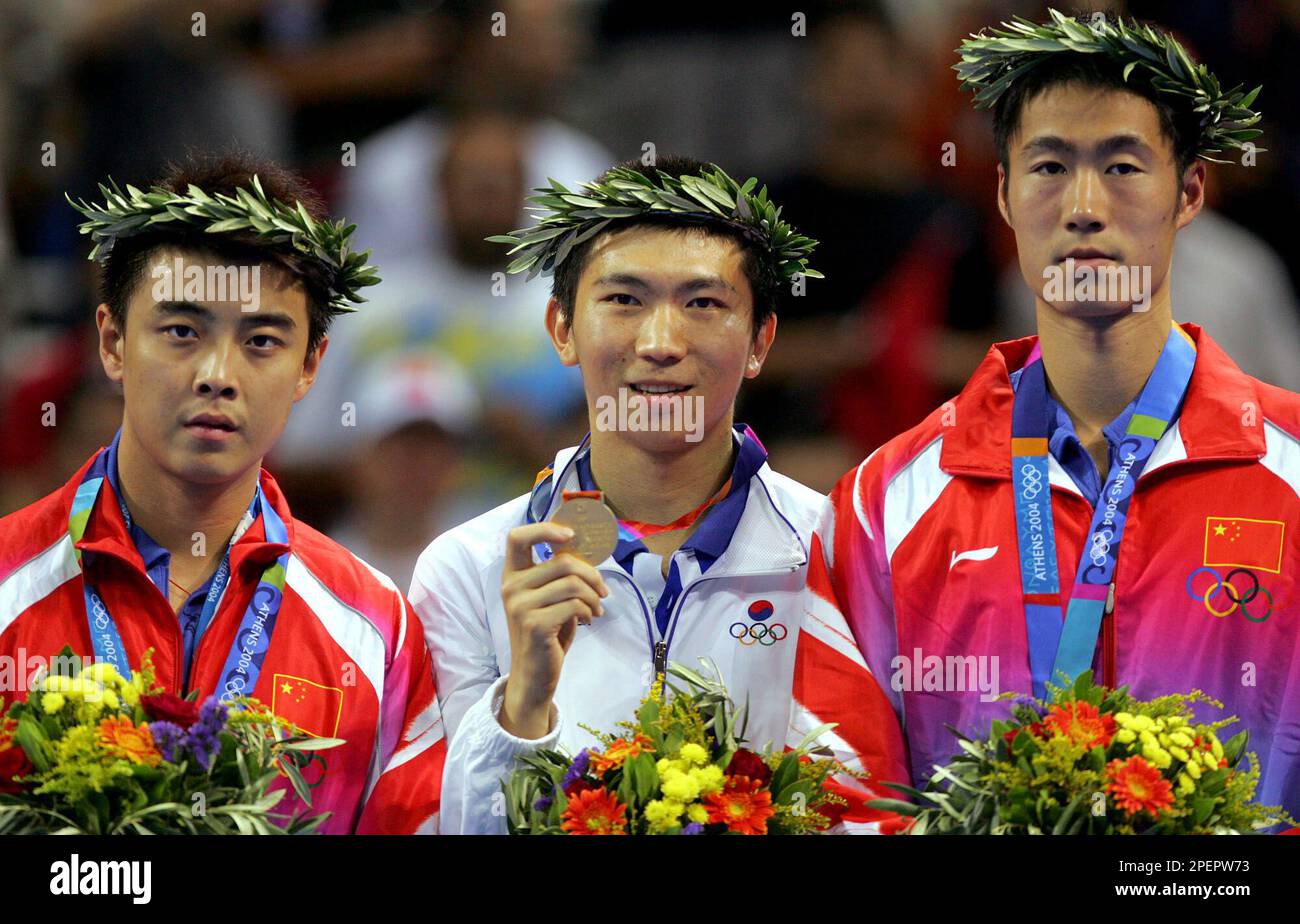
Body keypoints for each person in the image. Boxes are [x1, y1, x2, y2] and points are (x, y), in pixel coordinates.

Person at [813, 9, 1300, 822]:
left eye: (1121, 166)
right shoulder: (880, 505)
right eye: (1048, 167)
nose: (1083, 206)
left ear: (1189, 192)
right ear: (1002, 194)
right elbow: (843, 794)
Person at [410, 156, 909, 834]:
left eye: (704, 304)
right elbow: (439, 825)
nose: (661, 342)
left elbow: (872, 810)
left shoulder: (838, 554)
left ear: (761, 340)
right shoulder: (466, 569)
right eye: (624, 300)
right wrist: (521, 705)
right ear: (561, 328)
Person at [0, 153, 444, 833]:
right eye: (182, 331)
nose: (217, 374)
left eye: (262, 340)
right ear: (113, 343)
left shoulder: (378, 632)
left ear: (310, 366)